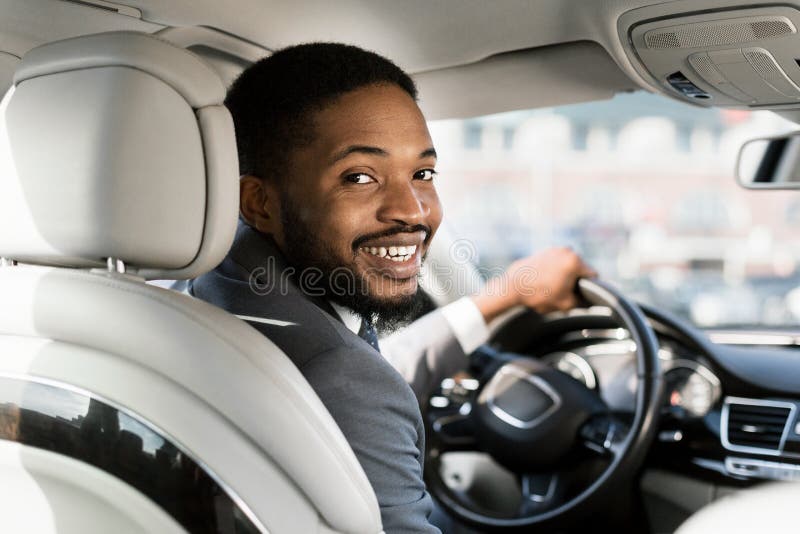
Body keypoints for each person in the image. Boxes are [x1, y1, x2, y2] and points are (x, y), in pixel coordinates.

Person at [191, 42, 595, 532]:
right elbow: (355, 382)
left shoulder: (207, 288)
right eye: (360, 177)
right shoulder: (344, 381)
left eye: (422, 173)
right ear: (259, 203)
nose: (414, 210)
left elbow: (367, 372)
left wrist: (503, 297)